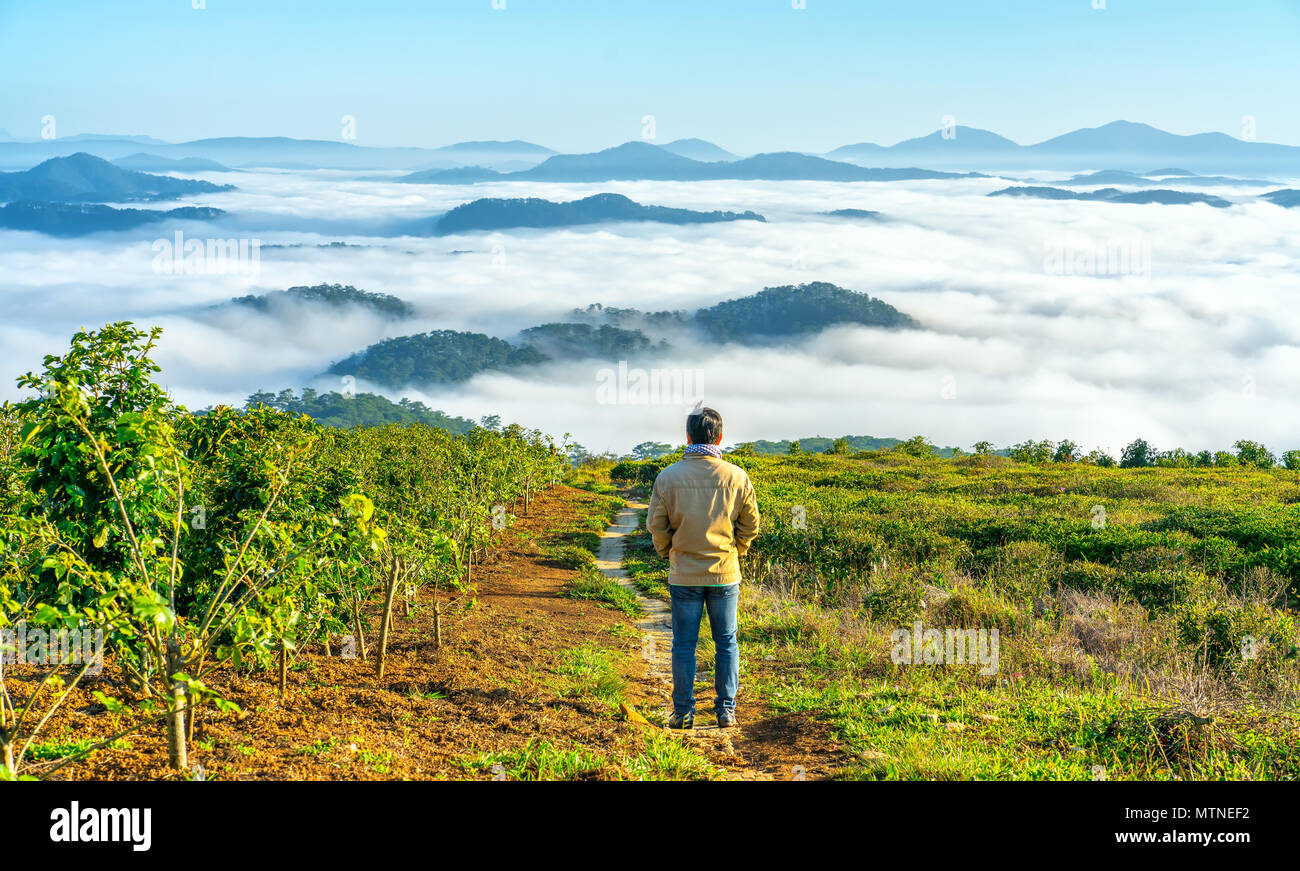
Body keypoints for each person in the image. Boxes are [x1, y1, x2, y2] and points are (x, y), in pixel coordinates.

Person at [646, 406, 760, 729]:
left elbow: (656, 525)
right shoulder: (737, 477)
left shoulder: (667, 477)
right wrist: (736, 551)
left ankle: (683, 713)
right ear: (720, 436)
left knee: (684, 644)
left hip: (684, 575)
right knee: (726, 642)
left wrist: (670, 552)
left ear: (687, 436)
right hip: (725, 574)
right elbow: (751, 525)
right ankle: (726, 711)